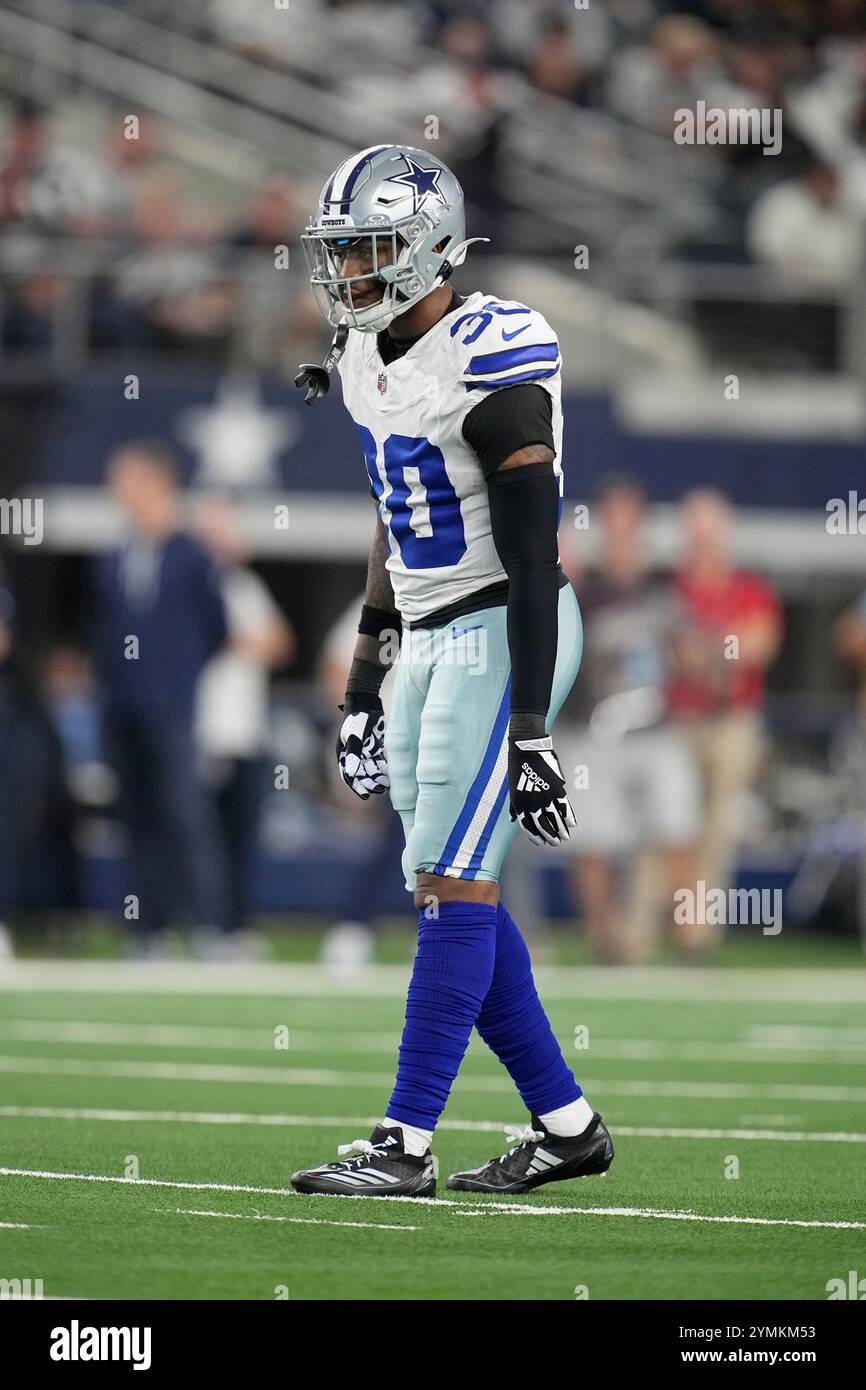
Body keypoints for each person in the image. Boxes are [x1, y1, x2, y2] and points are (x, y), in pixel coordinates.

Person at [290, 143, 614, 1199]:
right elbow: (394, 531)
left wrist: (532, 730)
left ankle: (406, 1142)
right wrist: (358, 682)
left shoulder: (494, 351)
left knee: (455, 887)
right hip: (428, 634)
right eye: (339, 252)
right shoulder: (361, 358)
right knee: (443, 888)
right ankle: (565, 1126)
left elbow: (532, 557)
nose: (347, 273)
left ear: (429, 247)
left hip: (504, 624)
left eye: (370, 249)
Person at [93, 440, 229, 957]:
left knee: (186, 817)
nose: (117, 492)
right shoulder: (113, 555)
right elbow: (103, 629)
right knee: (136, 819)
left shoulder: (191, 553)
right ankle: (147, 930)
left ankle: (212, 928)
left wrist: (178, 677)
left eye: (125, 480)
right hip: (121, 707)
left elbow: (216, 628)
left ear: (155, 483)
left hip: (172, 708)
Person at [558, 476, 701, 964]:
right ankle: (604, 941)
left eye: (631, 520)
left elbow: (692, 657)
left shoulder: (663, 589)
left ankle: (687, 941)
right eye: (614, 519)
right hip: (592, 731)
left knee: (676, 829)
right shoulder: (583, 591)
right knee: (594, 841)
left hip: (656, 729)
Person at [669, 489, 782, 950]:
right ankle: (663, 926)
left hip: (732, 722)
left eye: (711, 535)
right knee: (673, 826)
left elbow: (760, 644)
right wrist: (717, 651)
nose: (704, 544)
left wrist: (711, 650)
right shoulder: (675, 589)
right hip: (681, 721)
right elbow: (677, 652)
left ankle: (697, 937)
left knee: (717, 830)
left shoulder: (748, 587)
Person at [194, 496, 295, 952]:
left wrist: (237, 641)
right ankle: (209, 926)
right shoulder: (191, 582)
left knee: (240, 834)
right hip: (204, 729)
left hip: (245, 729)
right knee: (204, 836)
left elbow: (279, 643)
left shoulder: (243, 585)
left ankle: (233, 925)